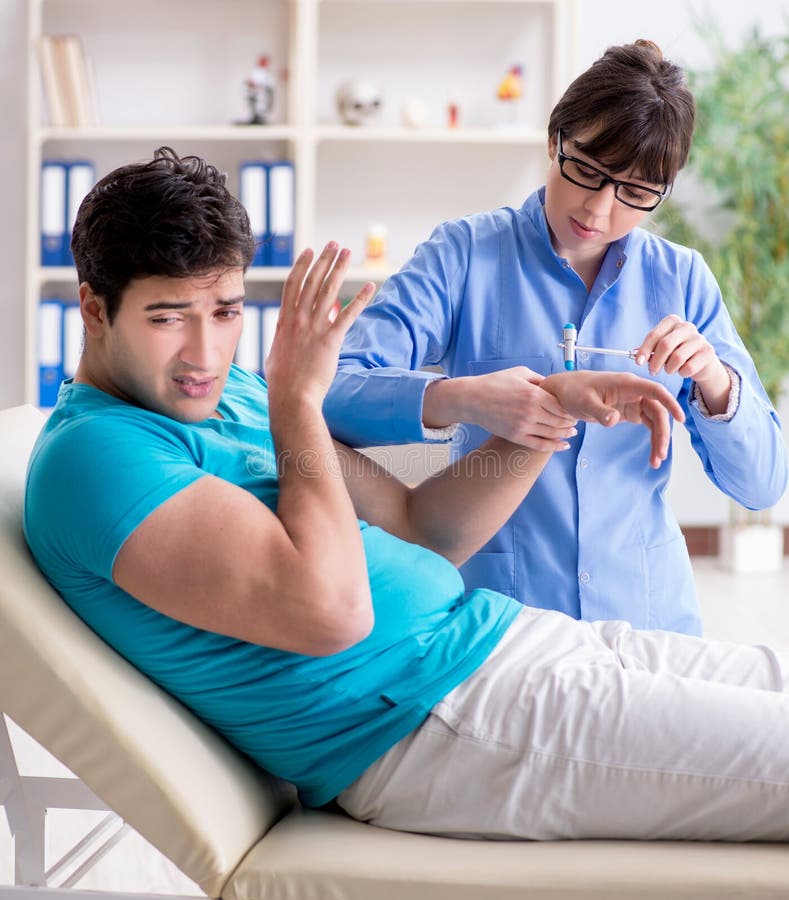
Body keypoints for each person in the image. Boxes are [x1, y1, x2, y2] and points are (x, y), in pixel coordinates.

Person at [23, 148, 789, 843]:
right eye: (167, 318)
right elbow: (332, 613)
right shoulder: (96, 456)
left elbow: (421, 529)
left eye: (225, 312)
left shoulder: (235, 397)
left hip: (505, 640)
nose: (205, 353)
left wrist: (545, 412)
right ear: (93, 310)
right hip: (431, 725)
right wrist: (298, 405)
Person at [323, 39, 788, 636]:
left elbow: (763, 486)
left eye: (635, 193)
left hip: (648, 623)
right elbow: (330, 388)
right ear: (555, 139)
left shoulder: (682, 278)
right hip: (506, 624)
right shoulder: (466, 253)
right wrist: (458, 397)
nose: (599, 208)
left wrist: (717, 383)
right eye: (587, 170)